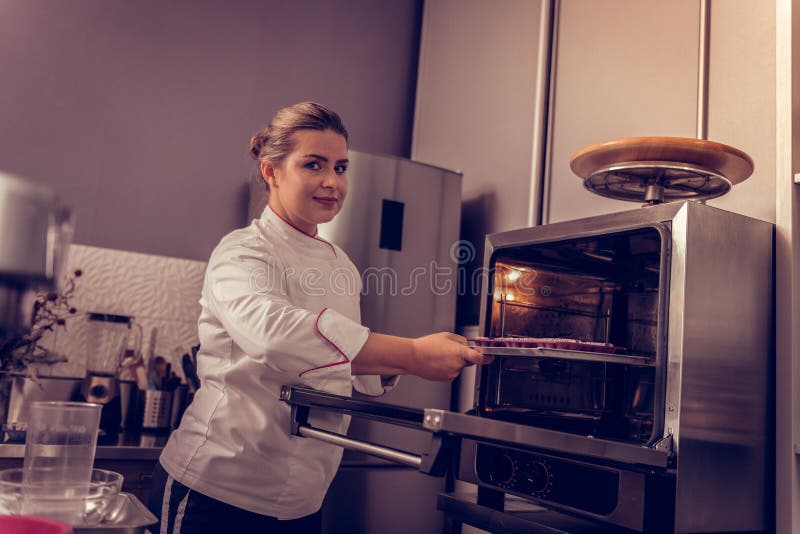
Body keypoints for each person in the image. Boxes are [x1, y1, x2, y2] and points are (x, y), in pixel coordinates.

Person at [148, 102, 491, 533]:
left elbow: (339, 367)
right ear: (271, 172)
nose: (333, 182)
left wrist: (403, 363)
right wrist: (410, 354)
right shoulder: (242, 251)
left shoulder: (341, 266)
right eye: (313, 165)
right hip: (216, 488)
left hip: (302, 500)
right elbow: (274, 335)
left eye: (341, 167)